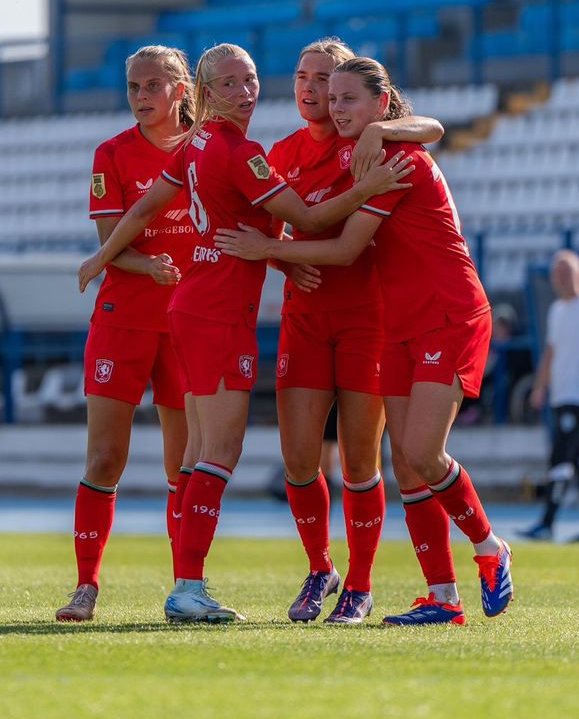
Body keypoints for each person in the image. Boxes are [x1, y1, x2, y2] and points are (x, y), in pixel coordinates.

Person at [77, 43, 415, 623]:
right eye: (231, 84)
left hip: (195, 307)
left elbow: (152, 207)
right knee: (219, 453)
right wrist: (369, 187)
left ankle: (200, 583)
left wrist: (100, 255)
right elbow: (304, 220)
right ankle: (187, 586)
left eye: (252, 79)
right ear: (205, 92)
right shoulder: (245, 150)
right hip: (220, 312)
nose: (246, 91)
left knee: (197, 457)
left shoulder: (198, 145)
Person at [215, 56, 514, 625]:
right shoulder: (320, 151)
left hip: (437, 315)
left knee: (414, 456)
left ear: (379, 102)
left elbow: (347, 248)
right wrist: (276, 257)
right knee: (395, 463)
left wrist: (270, 250)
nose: (331, 102)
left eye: (343, 94)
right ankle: (441, 598)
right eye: (319, 89)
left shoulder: (389, 156)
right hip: (393, 323)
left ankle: (486, 547)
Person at [269, 38, 445, 624]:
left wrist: (378, 133)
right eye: (302, 76)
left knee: (360, 460)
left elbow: (429, 127)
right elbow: (252, 230)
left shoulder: (373, 141)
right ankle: (321, 568)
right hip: (304, 316)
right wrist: (282, 258)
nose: (311, 90)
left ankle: (361, 585)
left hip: (368, 319)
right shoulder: (281, 152)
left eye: (325, 80)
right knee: (298, 459)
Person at [56, 46, 196, 622]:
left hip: (188, 324)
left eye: (153, 86)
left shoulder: (205, 149)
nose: (141, 97)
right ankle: (86, 585)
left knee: (182, 466)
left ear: (182, 90)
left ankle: (186, 586)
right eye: (134, 87)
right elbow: (113, 237)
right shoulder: (111, 153)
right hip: (122, 319)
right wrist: (148, 266)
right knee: (106, 456)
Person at [519, 250, 579, 543]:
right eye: (557, 273)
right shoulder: (557, 310)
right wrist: (540, 386)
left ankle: (547, 522)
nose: (561, 278)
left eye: (567, 271)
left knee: (560, 458)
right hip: (561, 394)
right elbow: (550, 353)